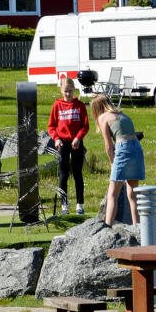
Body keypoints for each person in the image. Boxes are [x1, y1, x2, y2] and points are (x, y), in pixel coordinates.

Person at [90, 94, 143, 226]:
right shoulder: (123, 115)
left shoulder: (103, 117)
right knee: (132, 192)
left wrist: (112, 162)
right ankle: (137, 226)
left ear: (97, 108)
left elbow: (108, 146)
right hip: (137, 148)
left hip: (123, 148)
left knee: (112, 194)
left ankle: (107, 226)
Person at [47, 74, 89, 214]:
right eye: (65, 91)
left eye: (70, 91)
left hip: (76, 142)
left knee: (77, 173)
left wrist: (78, 138)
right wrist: (56, 139)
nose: (68, 94)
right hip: (62, 143)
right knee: (63, 174)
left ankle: (80, 204)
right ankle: (64, 205)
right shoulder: (57, 105)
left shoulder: (80, 105)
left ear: (74, 90)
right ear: (61, 91)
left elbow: (85, 126)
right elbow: (51, 126)